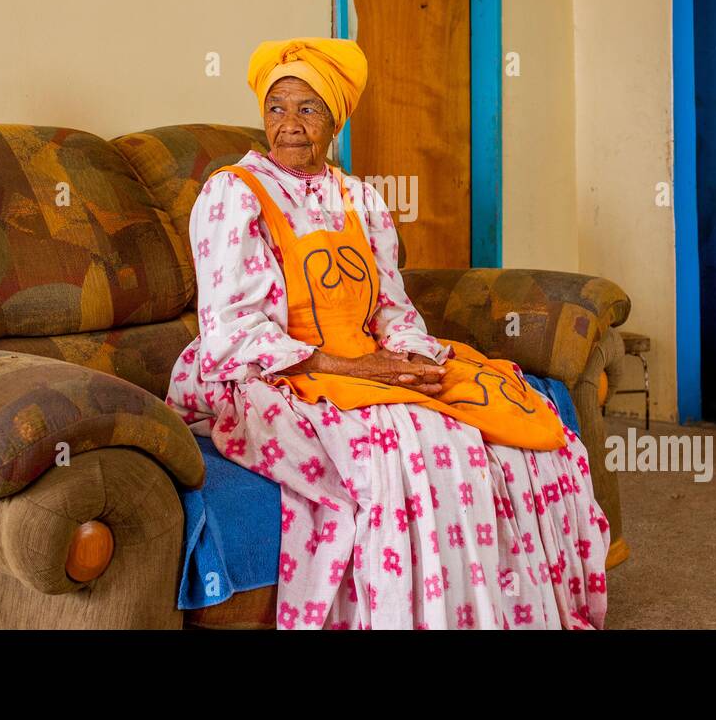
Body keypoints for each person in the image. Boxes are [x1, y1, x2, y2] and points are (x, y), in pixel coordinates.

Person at [165, 37, 609, 629]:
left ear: (335, 121)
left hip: (361, 360)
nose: (290, 126)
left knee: (505, 409)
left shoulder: (360, 198)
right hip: (269, 374)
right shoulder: (233, 194)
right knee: (417, 445)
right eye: (277, 108)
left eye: (308, 109)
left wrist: (413, 359)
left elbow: (393, 310)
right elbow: (233, 331)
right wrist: (352, 369)